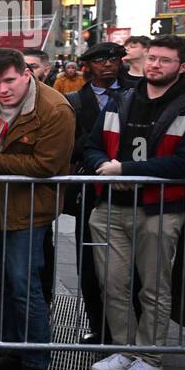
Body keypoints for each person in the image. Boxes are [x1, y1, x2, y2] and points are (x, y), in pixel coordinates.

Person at [82, 36, 185, 370]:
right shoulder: (123, 98)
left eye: (165, 60)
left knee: (154, 288)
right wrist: (104, 167)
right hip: (111, 207)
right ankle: (124, 349)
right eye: (152, 58)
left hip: (160, 209)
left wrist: (125, 170)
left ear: (183, 66)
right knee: (112, 283)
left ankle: (151, 358)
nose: (155, 65)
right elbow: (91, 146)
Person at [0, 48, 74, 370]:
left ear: (27, 73)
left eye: (9, 80)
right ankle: (9, 351)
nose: (2, 89)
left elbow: (46, 165)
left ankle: (36, 364)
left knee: (23, 284)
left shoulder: (55, 109)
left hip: (28, 208)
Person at [65, 42, 129, 345]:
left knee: (130, 268)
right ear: (88, 65)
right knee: (88, 262)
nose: (108, 64)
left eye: (114, 58)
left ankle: (128, 332)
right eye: (101, 59)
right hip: (90, 188)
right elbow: (71, 145)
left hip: (129, 188)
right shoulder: (75, 101)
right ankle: (97, 326)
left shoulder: (135, 94)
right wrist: (97, 149)